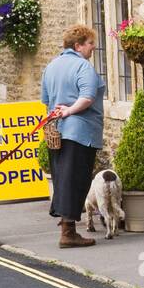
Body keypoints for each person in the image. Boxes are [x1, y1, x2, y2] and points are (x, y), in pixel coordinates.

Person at [40, 23, 105, 249]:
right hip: (79, 132)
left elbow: (46, 102)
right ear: (78, 46)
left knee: (63, 179)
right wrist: (69, 110)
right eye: (89, 43)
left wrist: (58, 115)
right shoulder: (83, 67)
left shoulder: (51, 66)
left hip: (57, 132)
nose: (92, 47)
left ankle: (67, 228)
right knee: (76, 180)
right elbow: (87, 97)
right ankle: (68, 233)